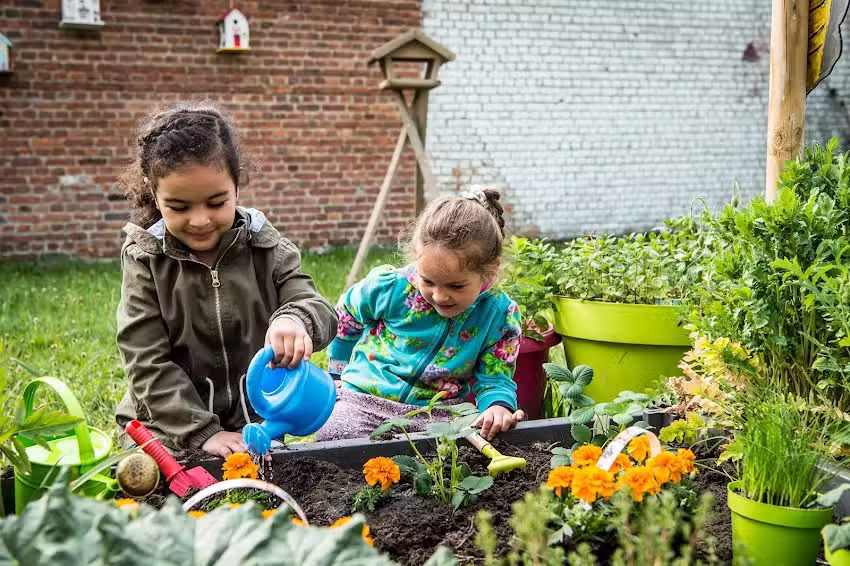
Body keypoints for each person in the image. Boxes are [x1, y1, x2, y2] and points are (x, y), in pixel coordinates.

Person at [114, 103, 337, 458]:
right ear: (154, 195)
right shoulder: (147, 260)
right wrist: (203, 433)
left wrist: (295, 318)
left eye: (216, 202)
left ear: (237, 184)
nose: (200, 220)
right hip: (170, 427)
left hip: (254, 426)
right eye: (179, 207)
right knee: (154, 490)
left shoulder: (266, 247)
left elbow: (319, 309)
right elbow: (145, 362)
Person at [320, 186, 525, 442]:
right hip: (364, 401)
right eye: (428, 281)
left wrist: (497, 406)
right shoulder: (392, 288)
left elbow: (495, 377)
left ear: (490, 271)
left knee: (457, 460)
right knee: (334, 438)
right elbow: (346, 316)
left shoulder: (498, 315)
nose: (439, 296)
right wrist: (336, 374)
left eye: (455, 286)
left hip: (438, 416)